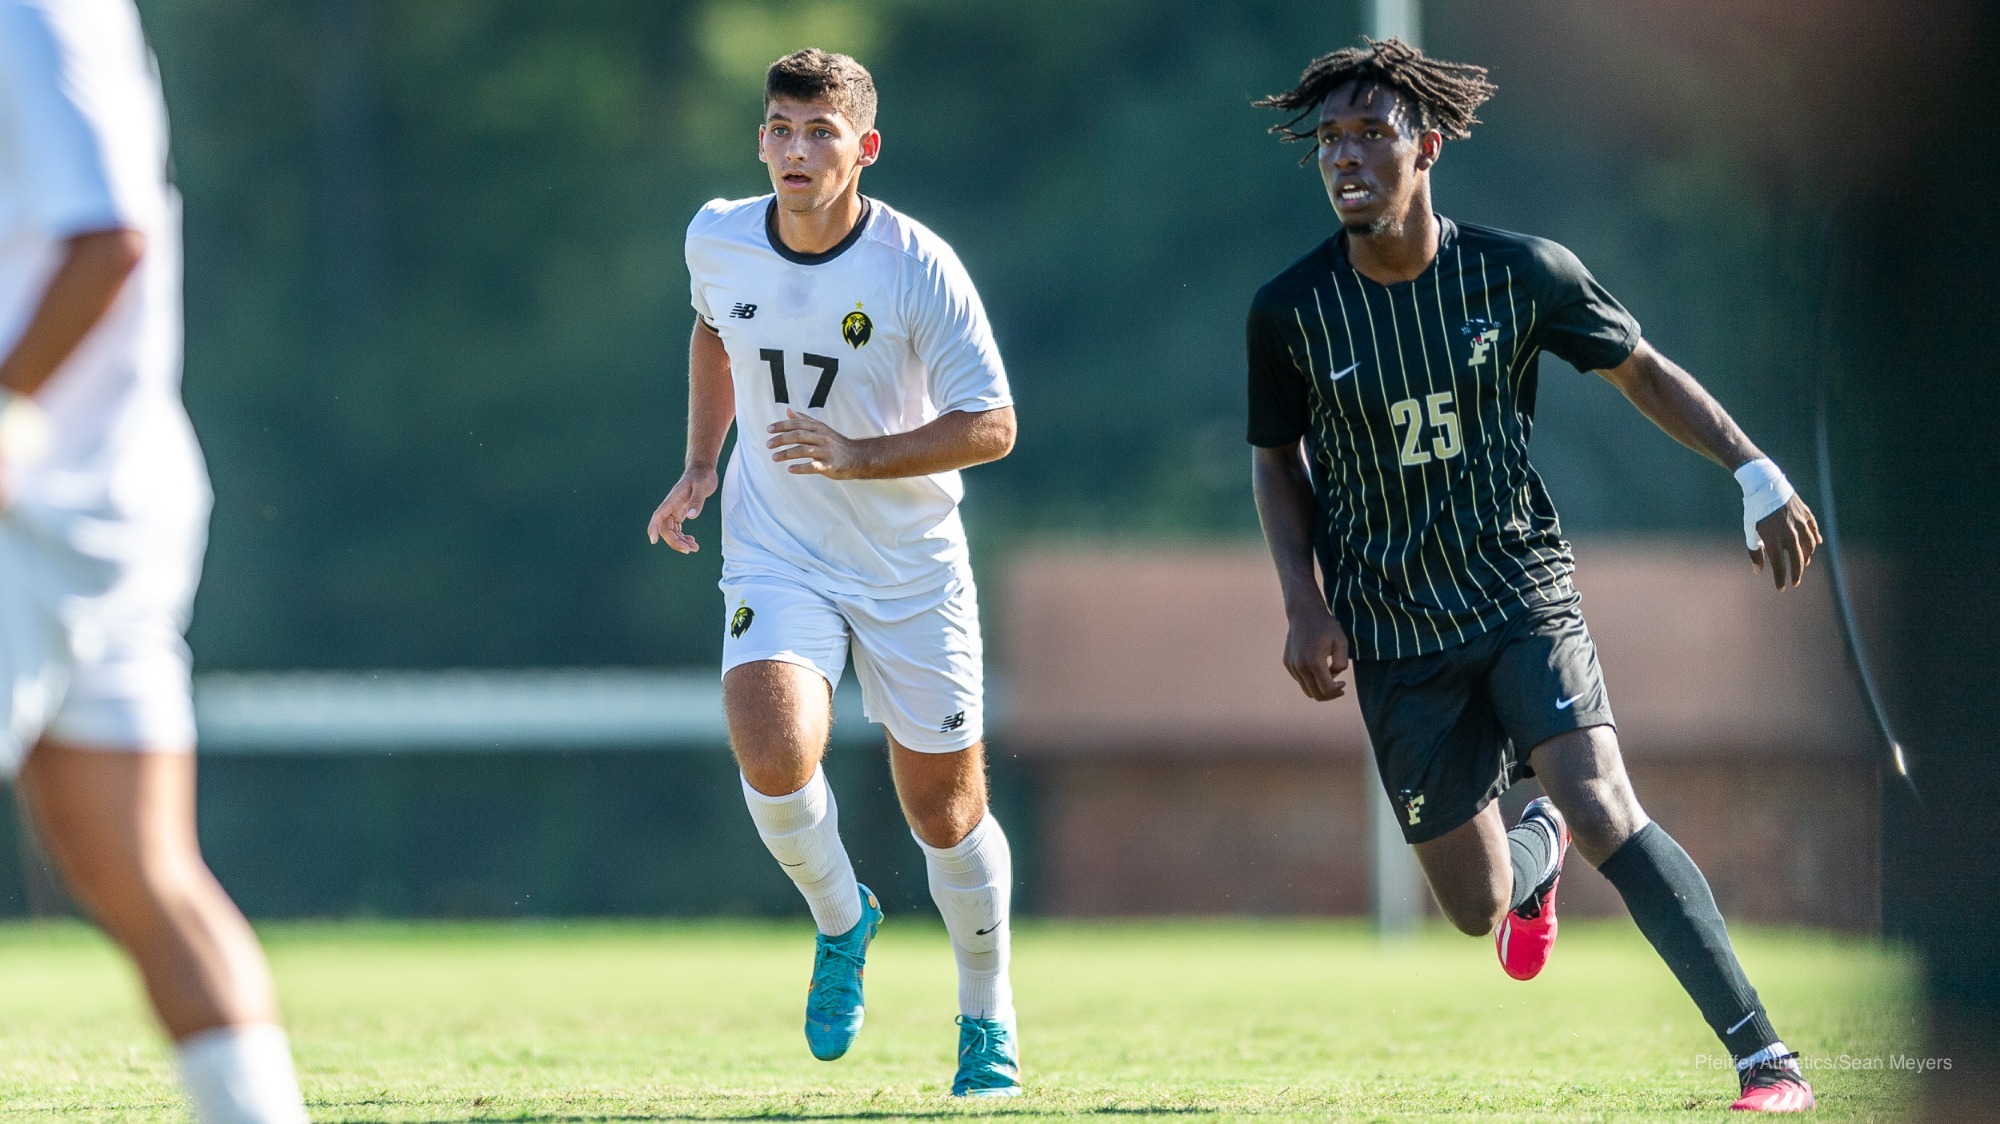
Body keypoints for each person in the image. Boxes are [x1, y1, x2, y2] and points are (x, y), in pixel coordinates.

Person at [1245, 38, 1820, 1113]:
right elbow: (1275, 461)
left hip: (1517, 589)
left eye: (1369, 132)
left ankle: (1763, 1057)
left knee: (1603, 800)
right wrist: (1302, 601)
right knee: (1475, 905)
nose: (1344, 157)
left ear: (1427, 145)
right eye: (1328, 139)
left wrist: (1751, 467)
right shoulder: (1288, 310)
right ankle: (1533, 840)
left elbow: (1637, 368)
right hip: (1391, 626)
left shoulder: (1519, 273)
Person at [646, 48, 1021, 1098]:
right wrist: (698, 464)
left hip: (909, 564)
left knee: (941, 813)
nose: (795, 150)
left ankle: (986, 1015)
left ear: (864, 148)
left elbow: (992, 423)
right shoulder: (717, 237)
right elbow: (714, 331)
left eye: (819, 133)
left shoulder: (914, 265)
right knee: (770, 748)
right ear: (760, 137)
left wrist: (862, 455)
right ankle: (842, 917)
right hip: (779, 548)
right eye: (778, 128)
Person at [0, 1, 310, 1121]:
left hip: (35, 503)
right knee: (142, 874)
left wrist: (9, 407)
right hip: (103, 497)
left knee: (146, 874)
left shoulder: (33, 12)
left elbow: (110, 235)